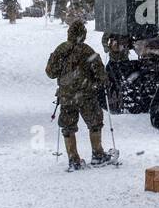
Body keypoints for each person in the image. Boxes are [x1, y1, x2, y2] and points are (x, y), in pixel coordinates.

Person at [46, 19, 113, 170]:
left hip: (66, 96)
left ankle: (73, 159)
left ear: (69, 33)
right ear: (83, 34)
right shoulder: (88, 51)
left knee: (68, 127)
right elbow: (101, 75)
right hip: (86, 95)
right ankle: (98, 154)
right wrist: (100, 82)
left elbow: (50, 72)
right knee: (95, 123)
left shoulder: (60, 50)